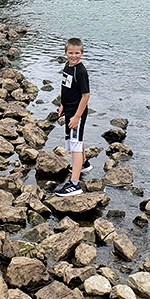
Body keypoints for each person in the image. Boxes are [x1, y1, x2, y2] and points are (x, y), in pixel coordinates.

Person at [55, 37, 92, 196]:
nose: (74, 56)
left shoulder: (81, 71)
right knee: (76, 141)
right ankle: (83, 164)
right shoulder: (67, 66)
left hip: (77, 113)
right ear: (66, 53)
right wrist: (63, 104)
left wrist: (77, 117)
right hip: (69, 109)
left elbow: (85, 96)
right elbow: (66, 87)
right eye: (71, 53)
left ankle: (74, 184)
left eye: (77, 53)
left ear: (82, 53)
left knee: (75, 144)